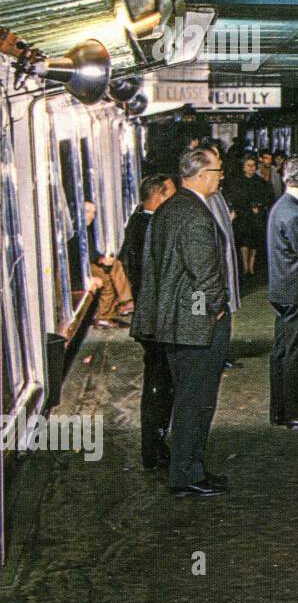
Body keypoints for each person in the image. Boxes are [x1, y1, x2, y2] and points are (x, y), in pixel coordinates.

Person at [129, 148, 232, 497]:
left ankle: (191, 469)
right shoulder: (196, 216)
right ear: (201, 174)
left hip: (171, 325)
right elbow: (204, 276)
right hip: (195, 328)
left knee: (186, 399)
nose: (221, 176)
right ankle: (186, 473)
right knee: (196, 401)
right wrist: (211, 311)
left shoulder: (167, 210)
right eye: (218, 170)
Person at [122, 174, 177, 469]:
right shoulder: (151, 228)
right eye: (171, 194)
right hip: (156, 320)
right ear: (159, 196)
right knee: (159, 386)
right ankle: (154, 449)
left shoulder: (137, 222)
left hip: (149, 318)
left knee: (158, 384)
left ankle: (155, 445)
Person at [267, 155, 298, 430]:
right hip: (296, 292)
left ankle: (279, 410)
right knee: (295, 354)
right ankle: (296, 412)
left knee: (282, 351)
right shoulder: (295, 213)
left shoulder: (280, 207)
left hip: (282, 290)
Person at [197, 139, 242, 368]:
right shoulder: (206, 199)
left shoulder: (216, 194)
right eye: (216, 162)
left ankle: (220, 353)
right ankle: (215, 355)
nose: (221, 166)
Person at [226, 153, 274, 276]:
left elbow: (268, 197)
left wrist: (259, 205)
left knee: (255, 241)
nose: (251, 168)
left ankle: (251, 266)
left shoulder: (260, 181)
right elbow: (234, 197)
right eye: (248, 166)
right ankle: (245, 265)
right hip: (242, 215)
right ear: (243, 167)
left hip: (256, 215)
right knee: (244, 241)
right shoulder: (237, 182)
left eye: (253, 166)